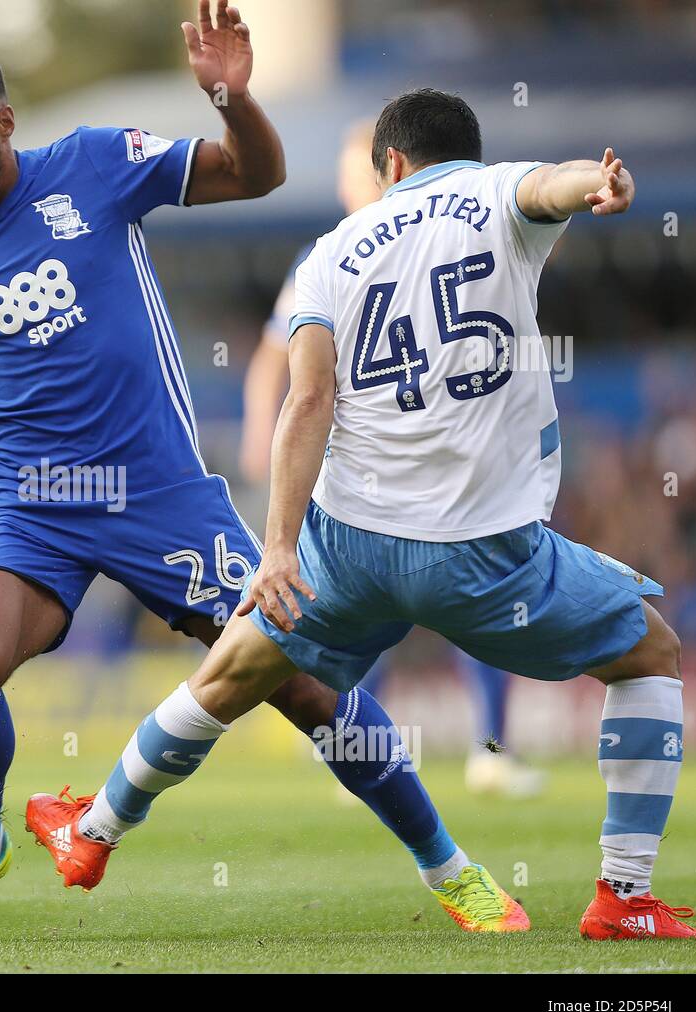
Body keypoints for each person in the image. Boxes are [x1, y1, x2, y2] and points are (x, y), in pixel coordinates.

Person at [0, 3, 512, 934]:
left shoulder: (97, 163)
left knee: (305, 683)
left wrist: (231, 98)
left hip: (162, 496)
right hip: (32, 504)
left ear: (2, 123)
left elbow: (257, 173)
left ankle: (450, 867)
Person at [28, 88, 696, 941]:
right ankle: (624, 896)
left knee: (228, 678)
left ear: (388, 164)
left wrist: (276, 547)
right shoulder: (495, 193)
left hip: (345, 549)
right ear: (466, 151)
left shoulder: (327, 255)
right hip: (483, 550)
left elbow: (306, 401)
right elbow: (553, 187)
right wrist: (598, 186)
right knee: (651, 650)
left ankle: (91, 833)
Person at [241, 121, 540, 798]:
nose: (362, 184)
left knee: (455, 604)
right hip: (364, 473)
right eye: (351, 173)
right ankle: (357, 744)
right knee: (380, 614)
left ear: (392, 168)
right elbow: (275, 359)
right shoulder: (324, 258)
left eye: (367, 171)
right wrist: (263, 425)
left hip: (447, 463)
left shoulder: (443, 238)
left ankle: (488, 746)